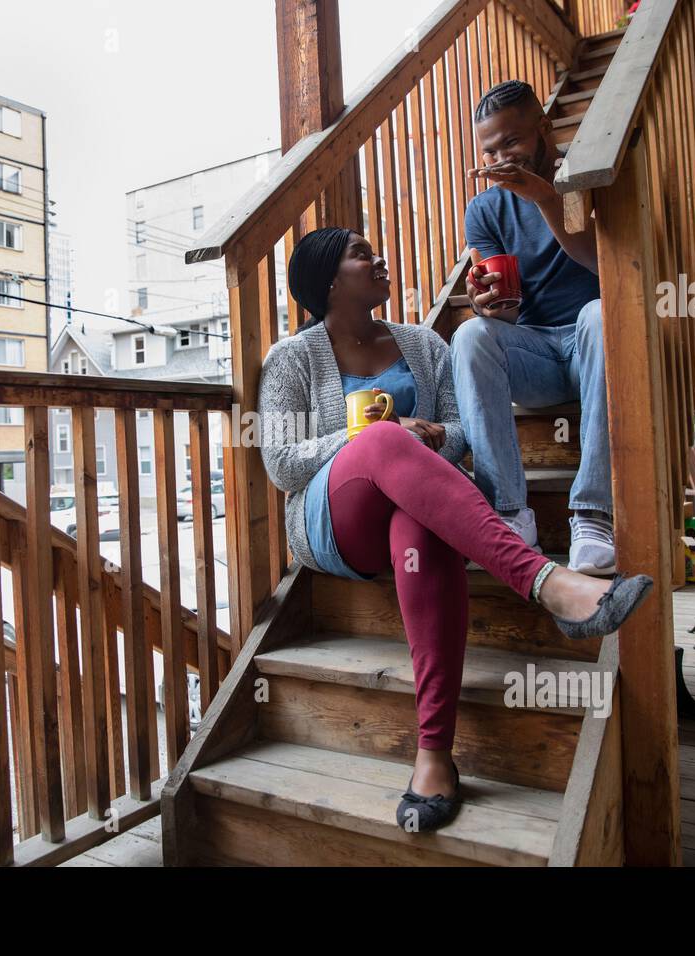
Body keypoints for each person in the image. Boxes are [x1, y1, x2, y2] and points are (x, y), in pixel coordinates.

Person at [257, 226, 653, 833]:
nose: (379, 257)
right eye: (362, 254)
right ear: (330, 282)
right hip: (335, 519)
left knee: (424, 528)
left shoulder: (423, 344)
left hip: (412, 508)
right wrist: (375, 439)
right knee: (387, 437)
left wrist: (431, 440)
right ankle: (545, 581)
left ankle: (433, 754)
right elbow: (282, 464)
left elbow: (463, 430)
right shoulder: (291, 358)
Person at [453, 79, 615, 574]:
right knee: (469, 335)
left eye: (513, 141)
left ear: (544, 129)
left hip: (597, 342)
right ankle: (507, 513)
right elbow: (506, 313)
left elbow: (599, 263)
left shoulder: (588, 178)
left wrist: (545, 198)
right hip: (538, 355)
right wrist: (488, 306)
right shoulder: (484, 209)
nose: (502, 157)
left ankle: (593, 514)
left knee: (600, 311)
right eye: (491, 149)